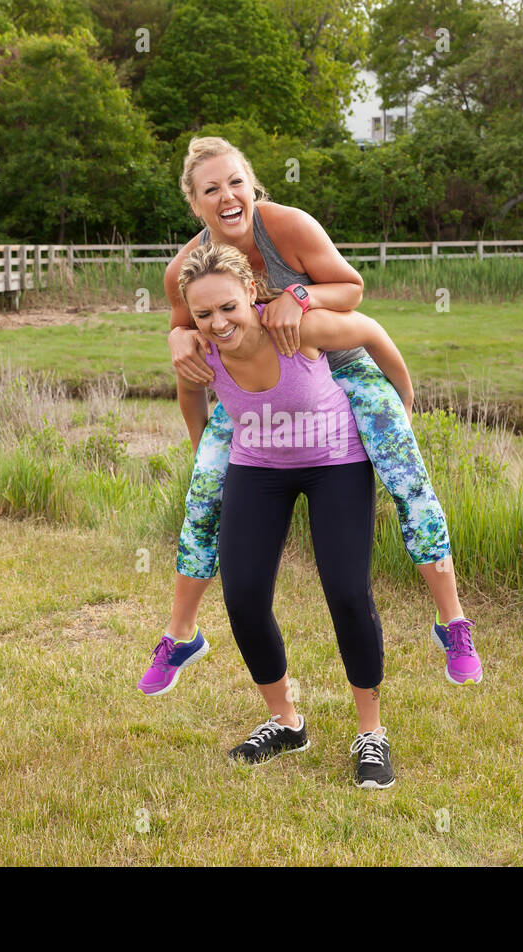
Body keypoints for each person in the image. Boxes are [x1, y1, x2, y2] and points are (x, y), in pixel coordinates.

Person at [137, 136, 482, 699]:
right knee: (203, 493)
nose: (227, 196)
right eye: (210, 189)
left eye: (235, 183)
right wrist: (177, 339)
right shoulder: (186, 268)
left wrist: (299, 296)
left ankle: (452, 620)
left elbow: (352, 291)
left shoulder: (288, 227)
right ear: (194, 204)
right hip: (261, 391)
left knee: (406, 477)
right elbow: (189, 327)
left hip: (341, 365)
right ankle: (181, 634)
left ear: (252, 187)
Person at [175, 241, 432, 787]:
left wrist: (403, 404)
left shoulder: (295, 328)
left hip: (334, 459)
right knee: (242, 595)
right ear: (191, 318)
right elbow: (191, 401)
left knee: (345, 588)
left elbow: (369, 330)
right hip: (258, 463)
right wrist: (210, 462)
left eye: (227, 307)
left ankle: (371, 733)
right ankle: (286, 722)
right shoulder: (198, 351)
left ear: (250, 293)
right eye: (203, 314)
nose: (217, 322)